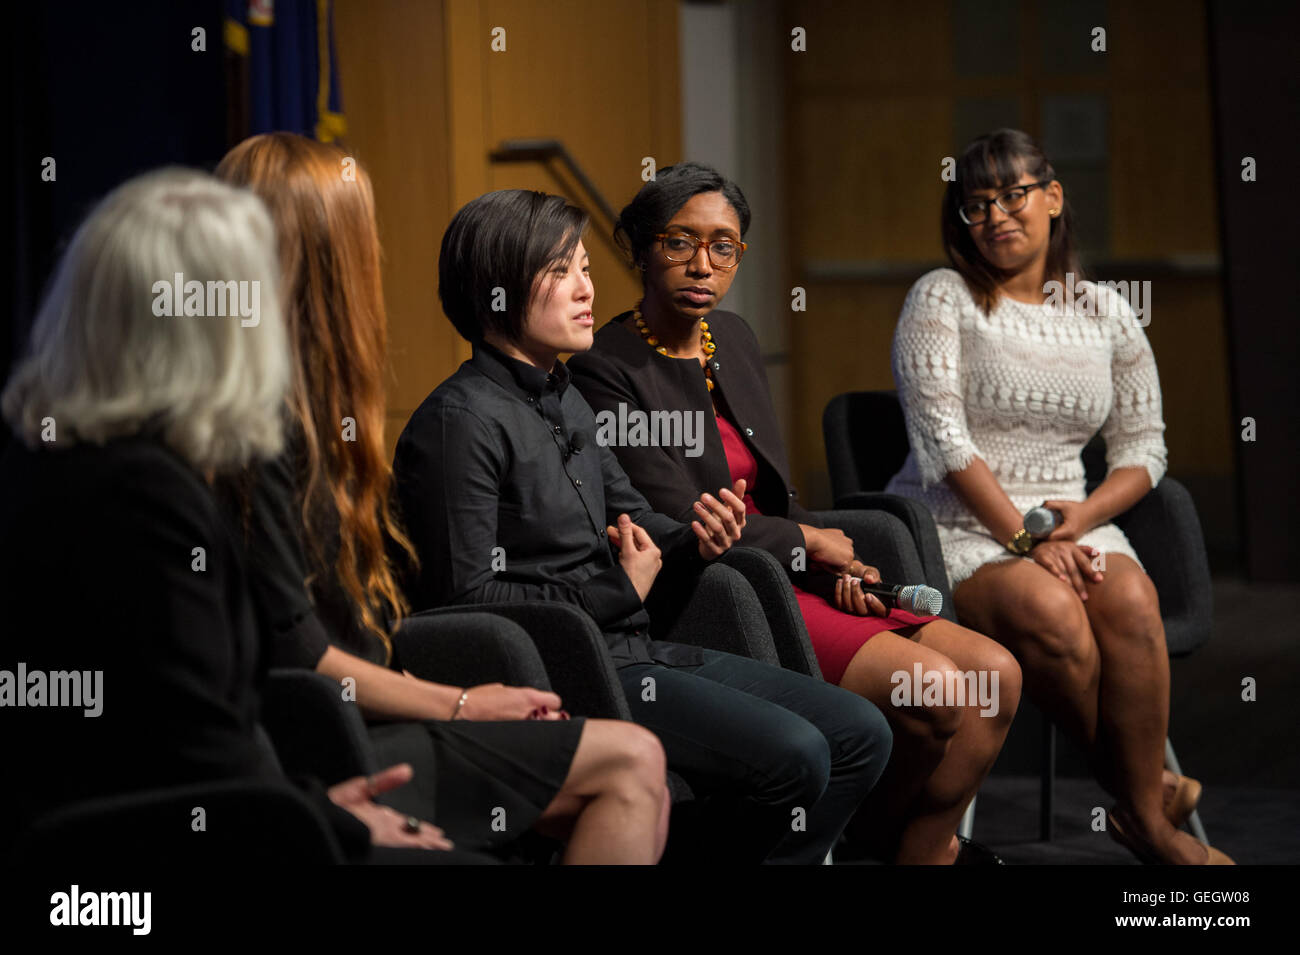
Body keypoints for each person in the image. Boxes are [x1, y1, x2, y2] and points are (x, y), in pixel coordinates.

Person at [393, 188, 894, 864]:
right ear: (497, 292)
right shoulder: (459, 422)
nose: (584, 289)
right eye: (559, 270)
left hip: (641, 648)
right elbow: (466, 601)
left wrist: (700, 535)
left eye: (585, 268)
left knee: (862, 731)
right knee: (798, 754)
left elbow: (638, 517)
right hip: (570, 669)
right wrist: (615, 589)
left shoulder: (564, 392)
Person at [214, 133, 668, 864]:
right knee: (634, 765)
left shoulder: (313, 408)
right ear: (325, 259)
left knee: (636, 760)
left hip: (383, 703)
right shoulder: (255, 429)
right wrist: (459, 700)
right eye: (364, 237)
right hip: (327, 739)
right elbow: (300, 647)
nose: (378, 259)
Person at [569, 162, 1020, 864]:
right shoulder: (606, 363)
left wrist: (835, 556)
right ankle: (875, 837)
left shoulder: (735, 339)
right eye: (678, 241)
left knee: (996, 678)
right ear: (640, 248)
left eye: (723, 245)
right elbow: (675, 515)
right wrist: (807, 541)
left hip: (787, 570)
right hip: (724, 590)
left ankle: (923, 851)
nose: (702, 263)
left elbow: (771, 495)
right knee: (936, 694)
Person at [0, 168, 455, 862]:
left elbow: (163, 740)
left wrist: (313, 804)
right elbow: (193, 757)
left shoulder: (54, 461)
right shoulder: (146, 501)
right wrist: (331, 823)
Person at [884, 128, 1231, 864]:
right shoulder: (941, 296)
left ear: (1053, 196)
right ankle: (1147, 801)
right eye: (976, 205)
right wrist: (1027, 541)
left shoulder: (1106, 311)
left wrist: (1083, 520)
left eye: (1013, 194)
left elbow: (1145, 449)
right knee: (1052, 615)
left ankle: (1138, 811)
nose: (997, 214)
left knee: (1133, 602)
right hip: (961, 527)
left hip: (1074, 521)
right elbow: (945, 446)